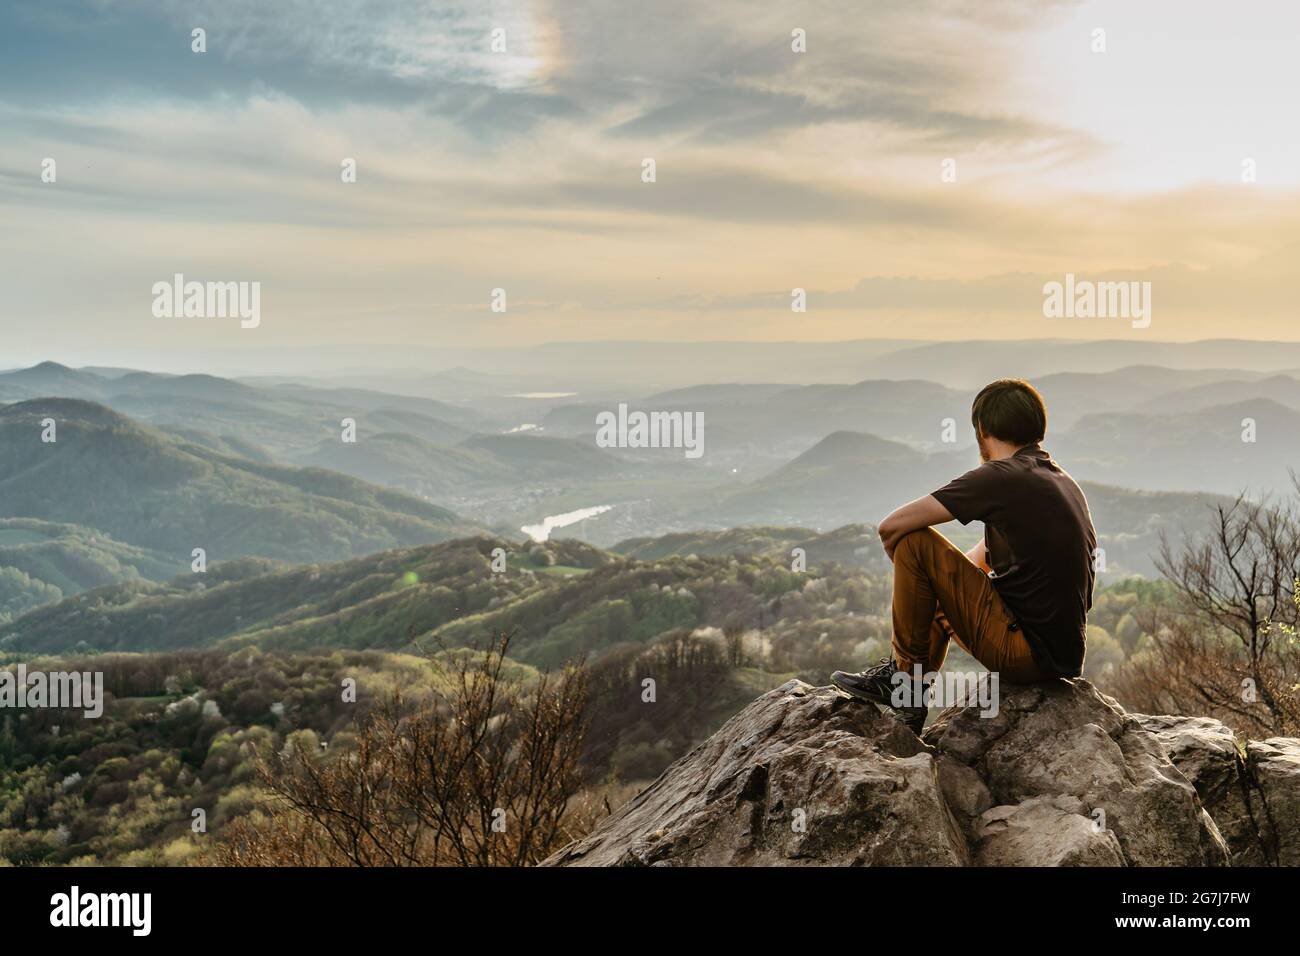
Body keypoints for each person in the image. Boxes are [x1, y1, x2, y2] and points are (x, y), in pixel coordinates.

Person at [831, 379, 1097, 732]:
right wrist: (931, 588)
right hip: (1058, 655)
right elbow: (975, 562)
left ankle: (905, 685)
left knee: (914, 543)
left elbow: (891, 527)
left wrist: (916, 580)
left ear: (982, 431)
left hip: (1026, 654)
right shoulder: (1059, 481)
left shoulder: (1001, 477)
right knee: (929, 569)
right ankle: (908, 694)